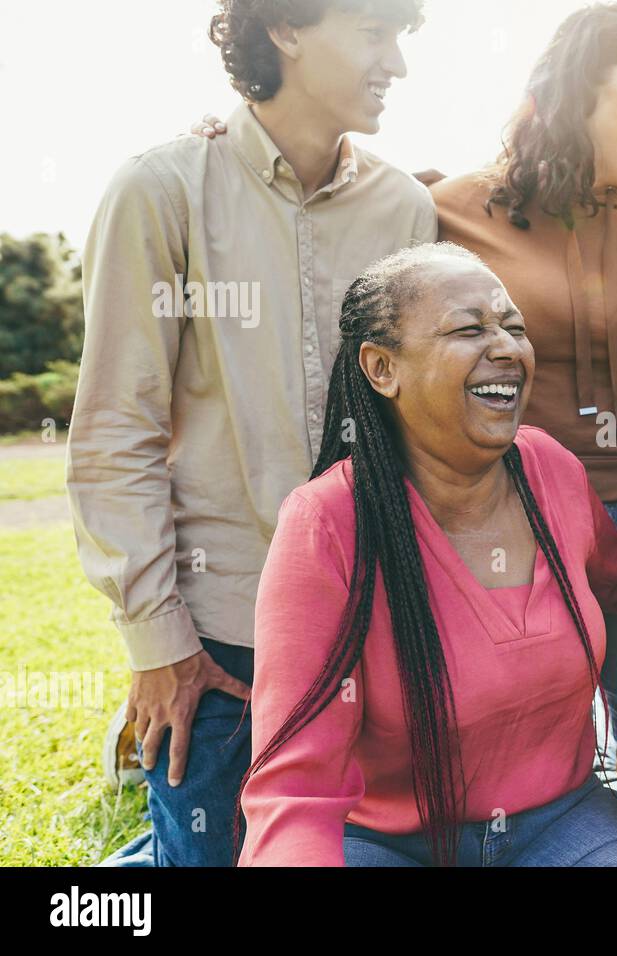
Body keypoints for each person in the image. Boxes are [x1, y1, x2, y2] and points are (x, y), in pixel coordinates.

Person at [69, 0, 435, 866]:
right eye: (376, 33)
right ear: (286, 29)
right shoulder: (158, 191)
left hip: (368, 621)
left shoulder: (407, 209)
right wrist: (160, 647)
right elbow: (115, 431)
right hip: (220, 641)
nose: (398, 65)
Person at [239, 243, 617, 867]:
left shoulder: (552, 469)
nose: (506, 348)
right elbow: (296, 784)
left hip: (565, 821)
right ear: (382, 368)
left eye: (514, 327)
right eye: (470, 329)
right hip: (390, 844)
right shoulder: (327, 524)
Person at [428, 3, 617, 786]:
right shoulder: (461, 209)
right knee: (520, 771)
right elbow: (342, 196)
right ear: (581, 85)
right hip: (517, 525)